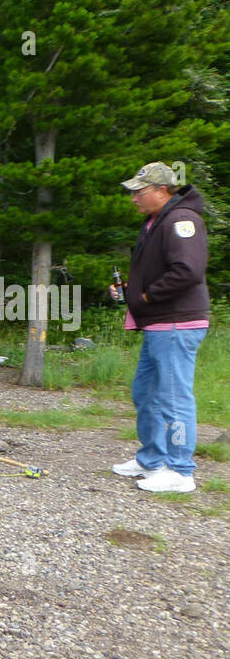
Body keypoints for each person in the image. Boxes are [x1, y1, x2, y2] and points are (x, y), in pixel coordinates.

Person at [110, 161, 211, 494]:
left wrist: (146, 295)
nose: (133, 198)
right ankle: (152, 459)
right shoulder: (155, 222)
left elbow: (188, 271)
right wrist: (128, 291)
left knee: (172, 398)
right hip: (158, 324)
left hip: (176, 324)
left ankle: (181, 471)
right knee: (146, 393)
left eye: (139, 192)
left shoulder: (182, 220)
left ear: (162, 190)